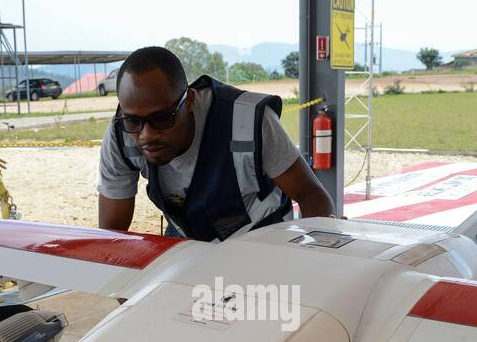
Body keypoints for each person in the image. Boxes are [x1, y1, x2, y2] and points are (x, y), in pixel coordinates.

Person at [96, 46, 333, 240]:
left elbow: (311, 195)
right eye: (134, 120)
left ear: (188, 100)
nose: (146, 135)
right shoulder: (121, 134)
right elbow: (112, 236)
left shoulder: (248, 122)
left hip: (262, 239)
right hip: (191, 238)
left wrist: (311, 256)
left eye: (161, 119)